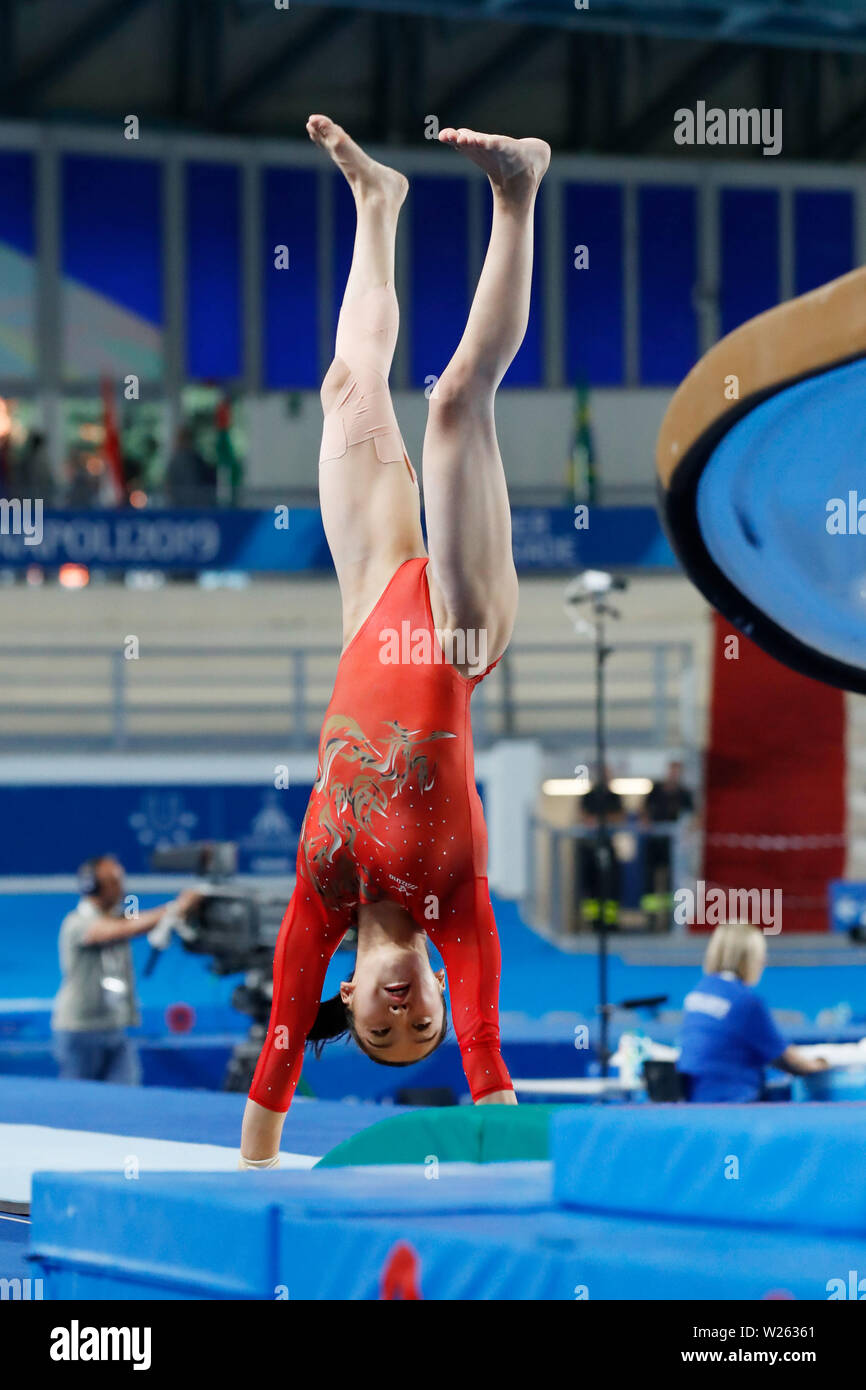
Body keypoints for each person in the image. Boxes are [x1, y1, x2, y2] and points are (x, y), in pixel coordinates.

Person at [239, 115, 550, 1168]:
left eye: (378, 1026)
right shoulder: (452, 911)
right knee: (455, 401)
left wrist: (254, 1168)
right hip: (461, 634)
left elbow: (279, 1044)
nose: (403, 1013)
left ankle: (379, 205)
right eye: (417, 1024)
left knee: (346, 386)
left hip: (370, 603)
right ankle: (517, 193)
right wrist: (496, 1125)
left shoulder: (320, 899)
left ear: (349, 991)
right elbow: (487, 1057)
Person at [52, 854, 200, 1085]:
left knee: (126, 1097)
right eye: (114, 882)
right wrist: (176, 907)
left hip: (115, 1028)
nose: (122, 888)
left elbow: (134, 921)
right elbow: (124, 928)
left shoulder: (117, 917)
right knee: (79, 1102)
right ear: (93, 885)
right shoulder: (76, 923)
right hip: (81, 1030)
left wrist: (180, 911)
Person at [677, 921, 828, 1102]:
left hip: (694, 1100)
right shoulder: (744, 1001)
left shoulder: (699, 991)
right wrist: (822, 1063)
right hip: (732, 1104)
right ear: (749, 958)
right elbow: (789, 1062)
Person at [642, 758, 695, 927]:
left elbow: (694, 818)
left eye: (677, 771)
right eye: (672, 770)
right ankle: (651, 920)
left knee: (673, 884)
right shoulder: (656, 791)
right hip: (655, 845)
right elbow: (643, 812)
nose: (674, 775)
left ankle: (671, 921)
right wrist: (645, 820)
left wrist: (688, 830)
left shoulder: (684, 795)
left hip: (675, 849)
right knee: (650, 884)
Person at [577, 766, 625, 930]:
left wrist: (600, 820)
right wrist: (602, 820)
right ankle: (593, 924)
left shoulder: (614, 797)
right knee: (592, 889)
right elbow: (584, 817)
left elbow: (619, 817)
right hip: (590, 849)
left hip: (608, 846)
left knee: (610, 887)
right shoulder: (589, 797)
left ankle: (610, 922)